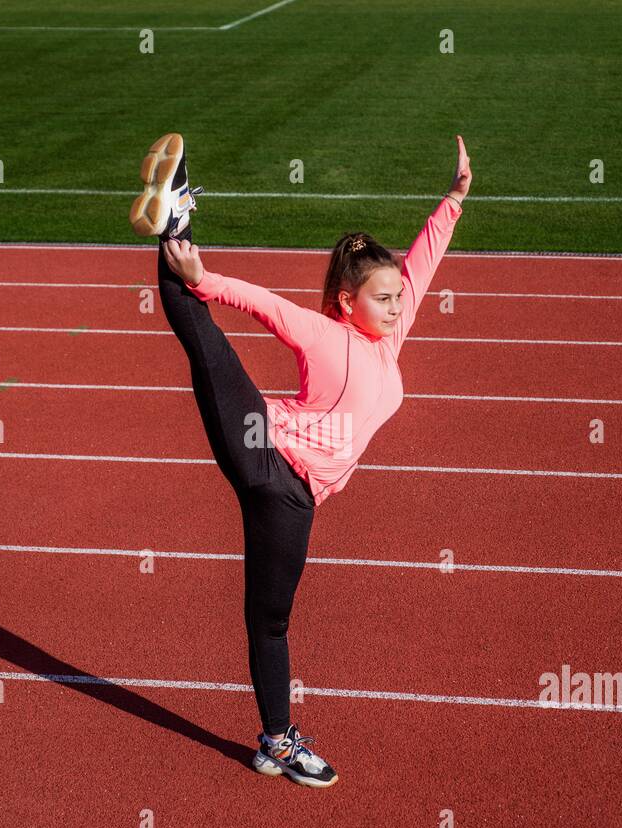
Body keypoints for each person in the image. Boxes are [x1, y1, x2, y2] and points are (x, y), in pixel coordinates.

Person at [130, 132, 470, 787]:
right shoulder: (327, 332)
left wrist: (452, 201)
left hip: (295, 499)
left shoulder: (389, 334)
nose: (398, 304)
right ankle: (176, 221)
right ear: (348, 302)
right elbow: (270, 308)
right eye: (383, 297)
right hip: (269, 459)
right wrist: (207, 279)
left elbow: (423, 266)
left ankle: (271, 741)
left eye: (397, 297)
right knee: (202, 336)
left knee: (269, 618)